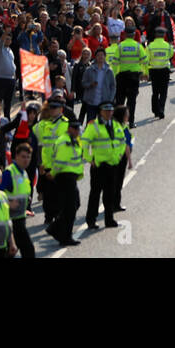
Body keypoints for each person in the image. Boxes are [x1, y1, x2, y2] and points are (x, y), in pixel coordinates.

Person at [44, 117, 86, 246]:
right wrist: (53, 173)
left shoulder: (73, 140)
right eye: (76, 129)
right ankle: (64, 235)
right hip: (65, 177)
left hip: (71, 177)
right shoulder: (64, 141)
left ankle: (57, 230)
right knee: (70, 208)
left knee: (72, 206)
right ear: (70, 129)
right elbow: (60, 161)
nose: (78, 131)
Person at [82, 102, 124, 230]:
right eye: (106, 111)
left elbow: (122, 141)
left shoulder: (116, 125)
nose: (109, 113)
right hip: (99, 166)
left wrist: (118, 157)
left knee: (109, 194)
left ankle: (109, 219)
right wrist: (90, 159)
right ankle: (91, 220)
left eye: (111, 111)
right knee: (95, 194)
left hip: (112, 164)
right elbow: (84, 144)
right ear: (100, 112)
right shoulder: (93, 126)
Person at [109, 26, 149, 125]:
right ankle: (131, 122)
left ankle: (119, 122)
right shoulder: (138, 46)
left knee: (120, 100)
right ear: (134, 35)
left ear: (125, 35)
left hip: (121, 76)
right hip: (134, 77)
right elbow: (145, 61)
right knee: (132, 100)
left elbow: (115, 63)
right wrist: (145, 73)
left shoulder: (120, 46)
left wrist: (113, 76)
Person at [145, 27, 173, 119]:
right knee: (163, 92)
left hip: (153, 70)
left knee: (155, 91)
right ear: (164, 35)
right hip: (164, 70)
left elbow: (146, 59)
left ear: (155, 35)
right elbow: (171, 55)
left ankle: (155, 110)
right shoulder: (167, 46)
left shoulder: (150, 46)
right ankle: (161, 109)